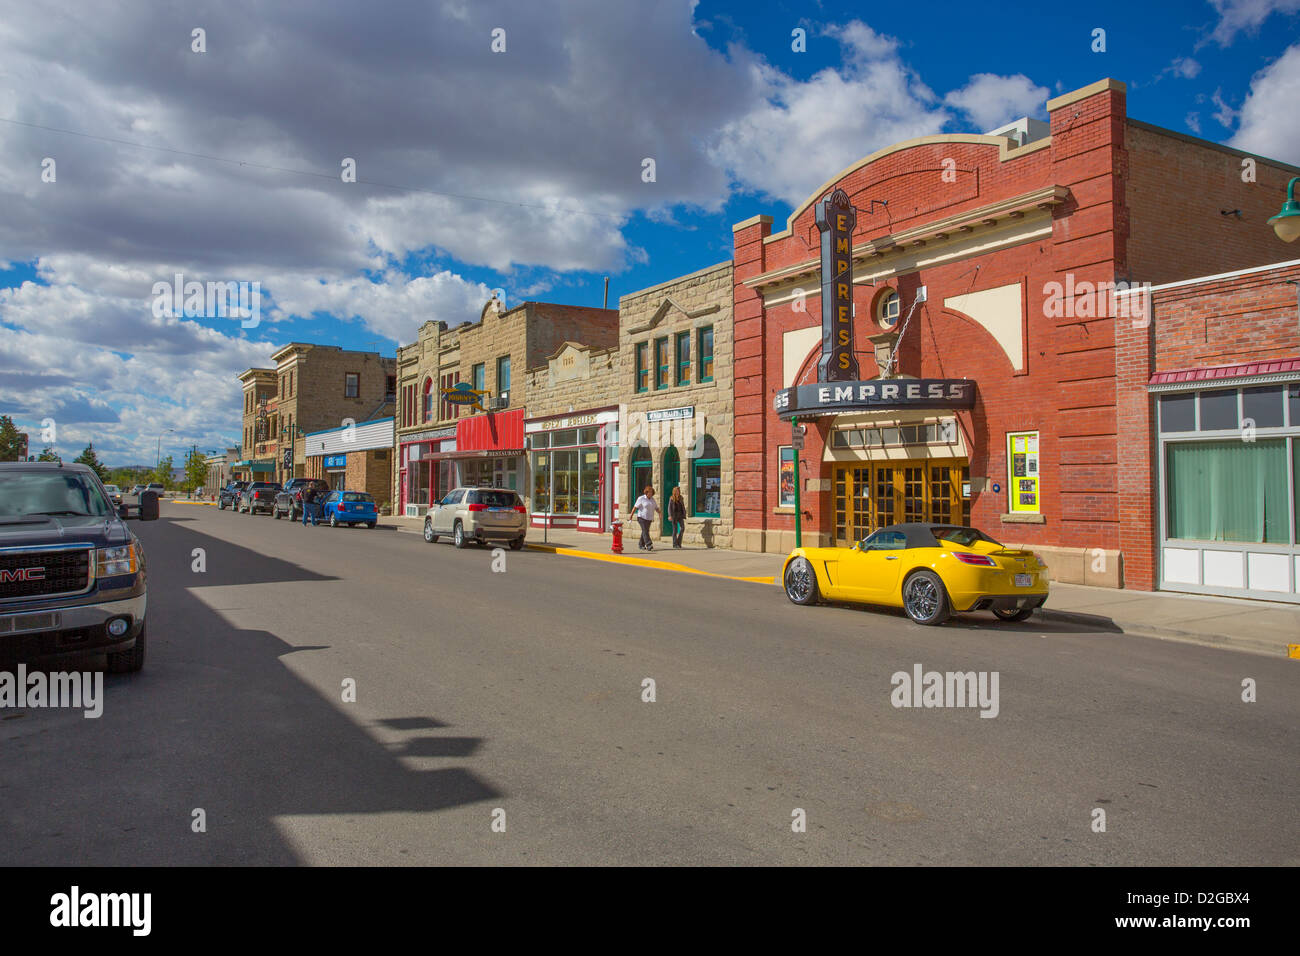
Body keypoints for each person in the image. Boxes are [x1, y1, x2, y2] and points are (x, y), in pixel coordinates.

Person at [630, 485, 658, 551]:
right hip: (641, 517)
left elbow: (656, 508)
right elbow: (635, 507)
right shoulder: (641, 498)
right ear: (646, 492)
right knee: (645, 531)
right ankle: (648, 544)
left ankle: (641, 544)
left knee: (645, 531)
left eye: (651, 492)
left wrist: (659, 513)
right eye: (649, 492)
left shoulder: (652, 500)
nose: (650, 494)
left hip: (649, 518)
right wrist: (631, 515)